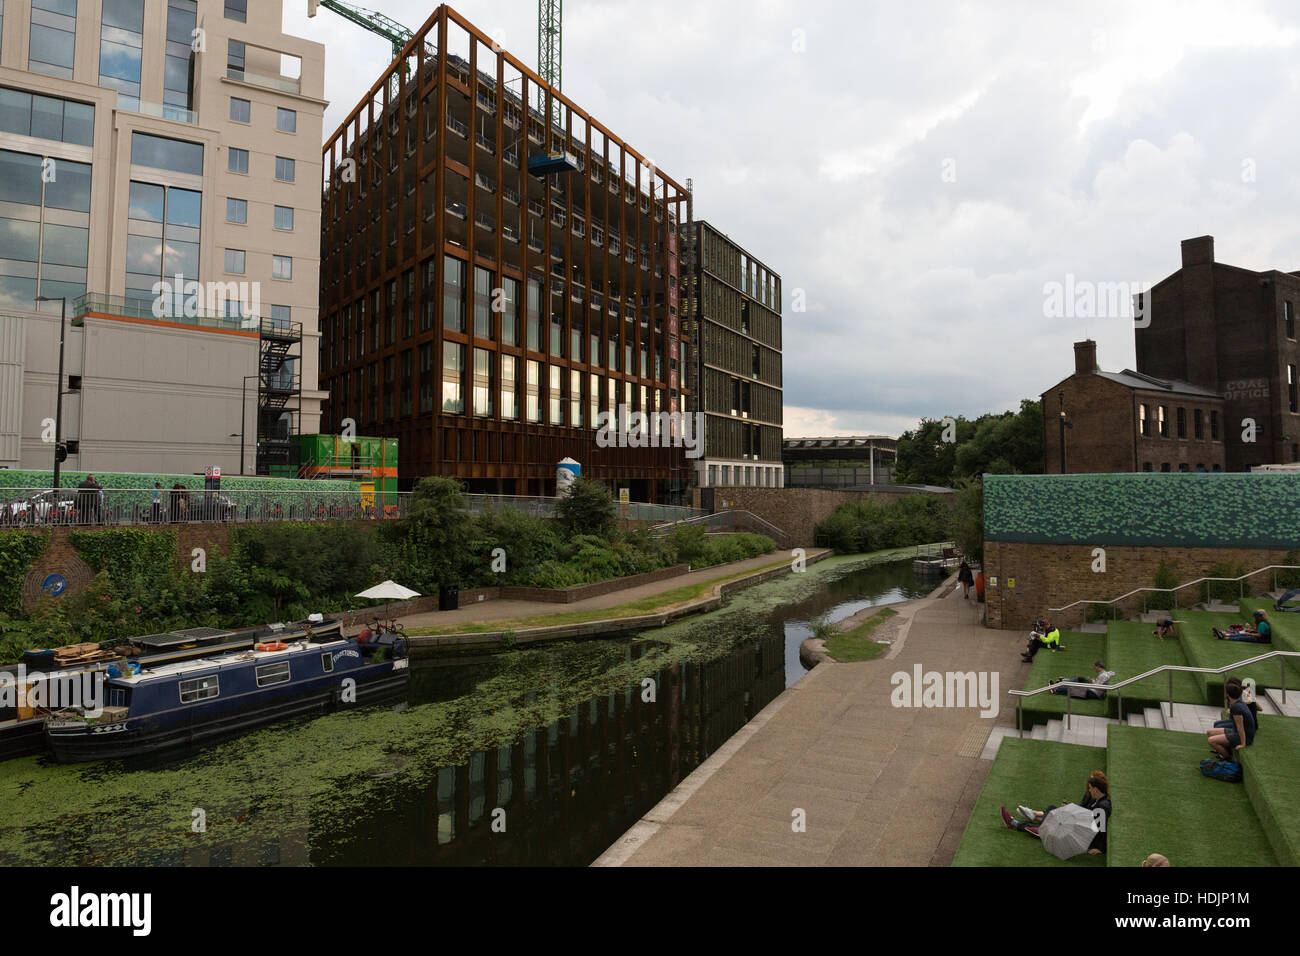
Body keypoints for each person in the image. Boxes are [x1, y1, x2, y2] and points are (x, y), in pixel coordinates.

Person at [1000, 770, 1111, 855]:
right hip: (1078, 825)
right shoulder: (1096, 799)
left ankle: (1014, 823)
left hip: (1082, 833)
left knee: (1046, 829)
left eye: (1091, 788)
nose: (1089, 790)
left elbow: (1100, 829)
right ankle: (1027, 819)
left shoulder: (1102, 806)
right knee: (1053, 814)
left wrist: (1101, 849)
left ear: (1096, 789)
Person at [1207, 679, 1255, 759]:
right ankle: (1224, 749)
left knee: (1211, 740)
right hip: (1236, 731)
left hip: (1245, 737)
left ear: (1228, 695)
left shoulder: (1236, 708)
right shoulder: (1238, 703)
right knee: (1210, 732)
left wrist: (1243, 744)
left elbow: (1240, 727)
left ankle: (1227, 757)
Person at [1049, 659, 1115, 699]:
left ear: (1098, 667)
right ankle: (1063, 682)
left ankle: (1055, 690)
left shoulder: (1103, 675)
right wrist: (1094, 681)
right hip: (1093, 688)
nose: (1094, 668)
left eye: (1095, 667)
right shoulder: (1104, 673)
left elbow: (1097, 687)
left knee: (1074, 688)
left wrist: (1093, 682)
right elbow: (1112, 673)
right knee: (1080, 679)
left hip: (1093, 692)